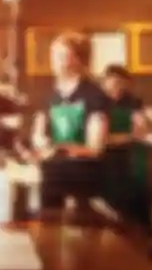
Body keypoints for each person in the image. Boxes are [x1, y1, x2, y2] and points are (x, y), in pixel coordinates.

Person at [32, 32, 109, 211]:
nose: (54, 61)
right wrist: (40, 144)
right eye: (53, 55)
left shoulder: (94, 96)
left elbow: (95, 147)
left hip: (83, 176)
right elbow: (38, 132)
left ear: (78, 59)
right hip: (52, 175)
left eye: (61, 55)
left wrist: (60, 149)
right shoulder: (49, 96)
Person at [99, 65, 152, 237]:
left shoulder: (132, 101)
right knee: (113, 211)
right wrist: (130, 136)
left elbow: (144, 128)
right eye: (113, 84)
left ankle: (145, 250)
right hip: (107, 163)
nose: (118, 88)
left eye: (122, 84)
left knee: (139, 211)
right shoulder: (98, 104)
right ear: (104, 83)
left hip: (133, 162)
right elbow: (102, 139)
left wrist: (147, 120)